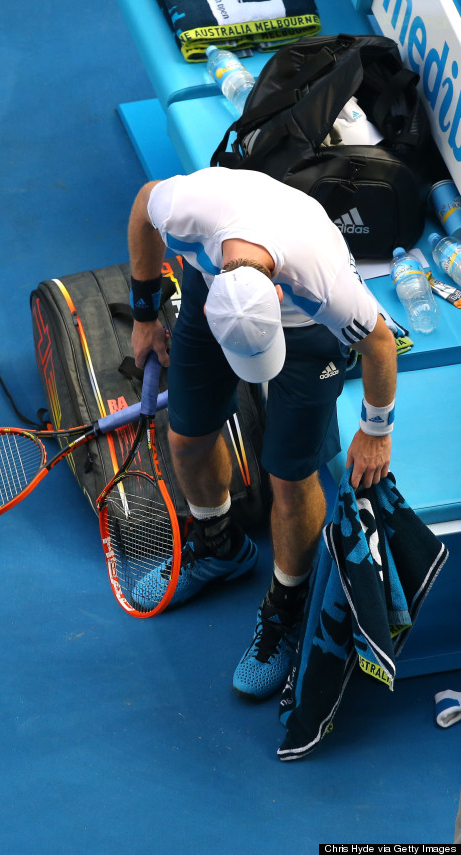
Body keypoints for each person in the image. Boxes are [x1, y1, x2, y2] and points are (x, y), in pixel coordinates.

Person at [127, 167, 397, 701]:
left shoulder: (325, 288)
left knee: (290, 479)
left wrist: (376, 429)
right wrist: (144, 313)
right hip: (210, 296)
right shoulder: (185, 209)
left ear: (276, 294)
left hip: (307, 337)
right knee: (185, 436)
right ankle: (219, 547)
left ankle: (287, 606)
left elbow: (381, 345)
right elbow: (142, 207)